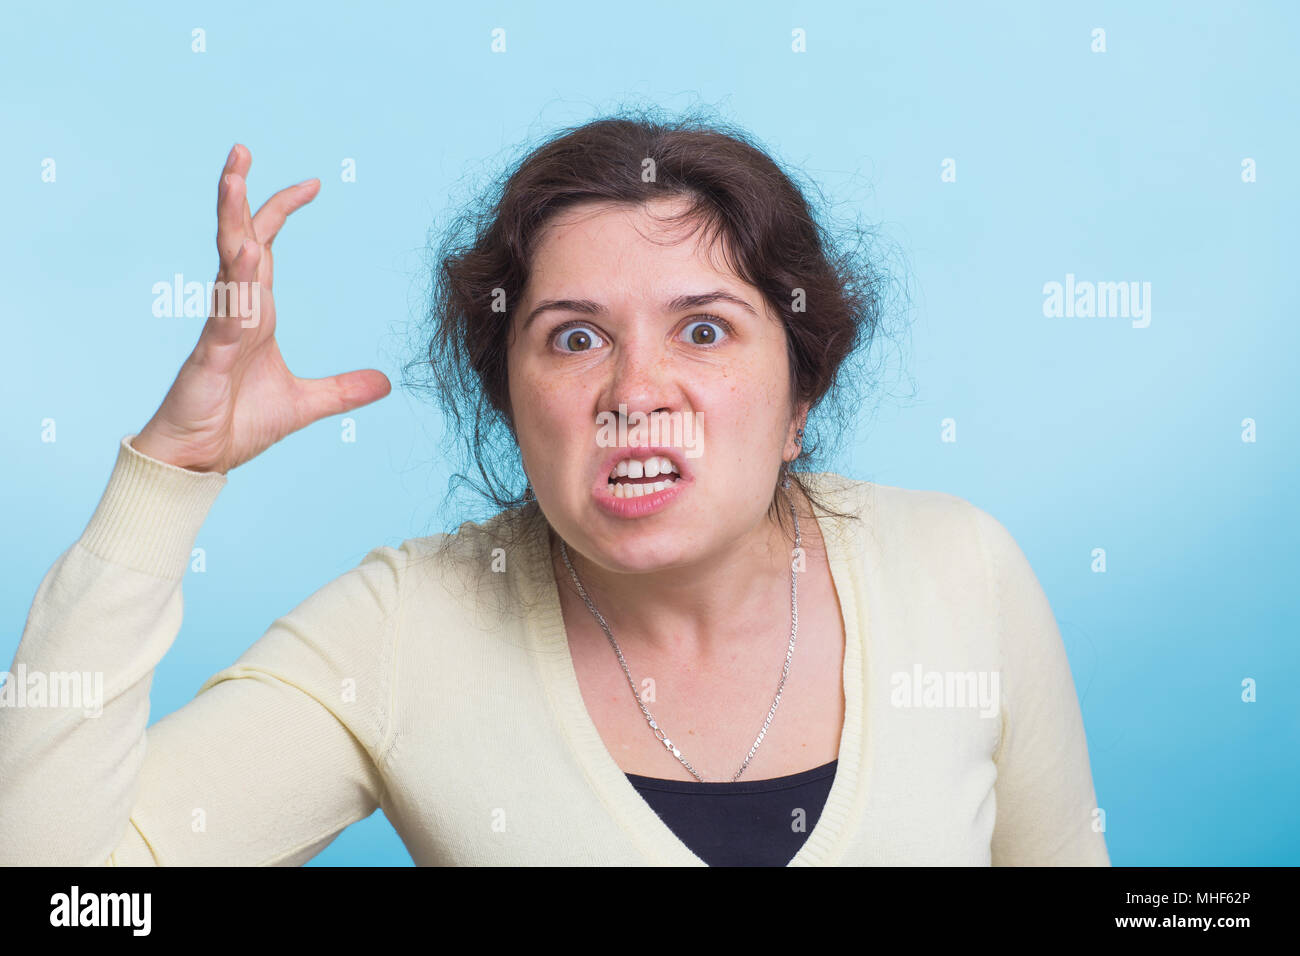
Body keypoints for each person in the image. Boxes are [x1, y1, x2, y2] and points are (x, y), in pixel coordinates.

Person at [0, 113, 1110, 866]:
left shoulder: (959, 571)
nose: (636, 389)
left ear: (799, 397)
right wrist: (169, 475)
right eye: (574, 337)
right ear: (510, 399)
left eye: (705, 328)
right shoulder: (404, 629)